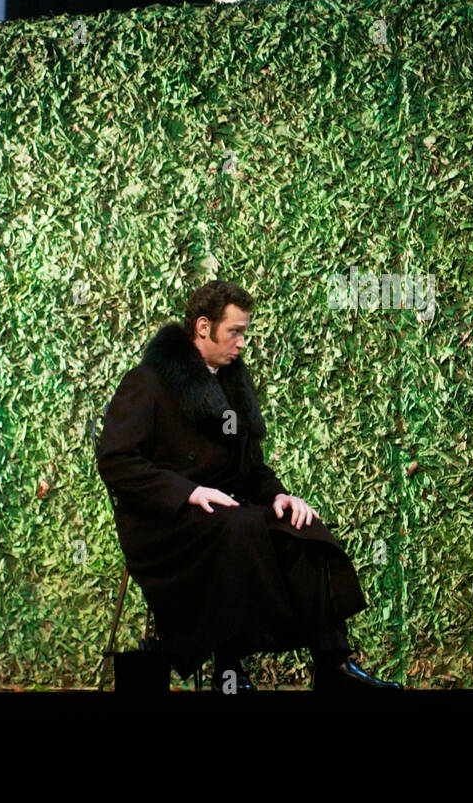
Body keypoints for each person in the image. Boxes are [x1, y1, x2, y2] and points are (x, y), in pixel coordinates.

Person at [97, 279, 400, 692]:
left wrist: (280, 496)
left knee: (299, 529)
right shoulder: (149, 382)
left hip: (224, 513)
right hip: (162, 525)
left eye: (245, 331)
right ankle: (228, 667)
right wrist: (187, 492)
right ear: (203, 327)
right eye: (235, 332)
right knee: (237, 528)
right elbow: (117, 461)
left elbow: (250, 468)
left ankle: (333, 663)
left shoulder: (232, 384)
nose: (242, 343)